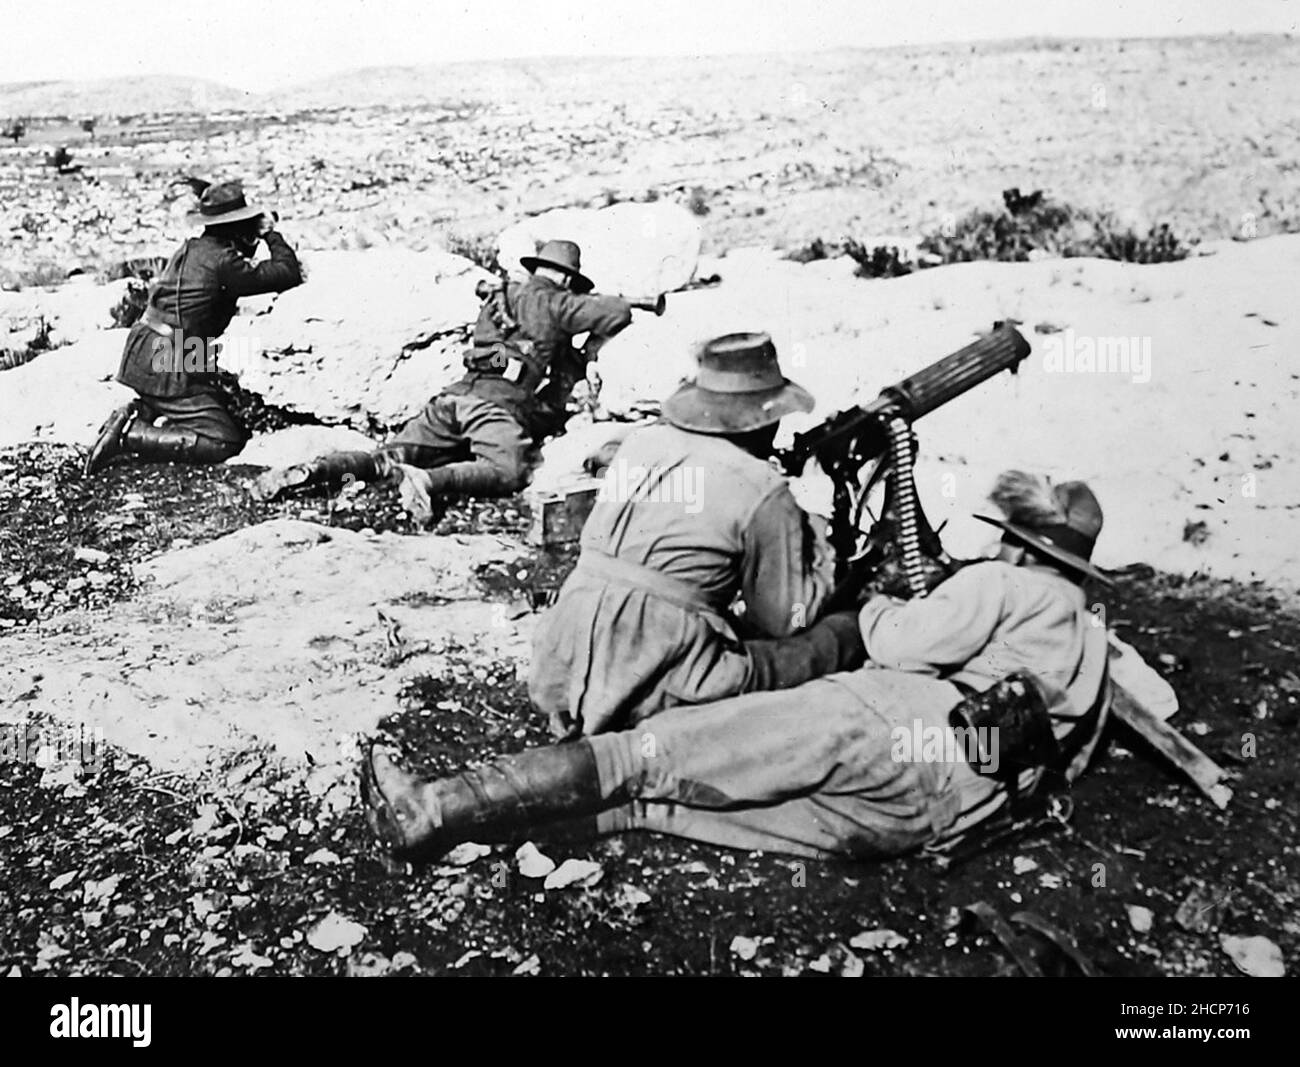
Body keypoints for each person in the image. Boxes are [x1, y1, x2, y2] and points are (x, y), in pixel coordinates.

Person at [359, 470, 1113, 863]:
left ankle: (440, 805)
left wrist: (875, 608)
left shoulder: (1003, 580)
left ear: (1019, 543)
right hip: (947, 811)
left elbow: (899, 644)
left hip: (880, 727)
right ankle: (485, 836)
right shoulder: (1091, 638)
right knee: (653, 808)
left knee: (649, 753)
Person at [530, 331, 863, 737]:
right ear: (765, 416)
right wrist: (817, 529)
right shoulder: (763, 489)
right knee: (839, 635)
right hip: (658, 671)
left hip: (560, 657)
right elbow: (785, 620)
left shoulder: (641, 443)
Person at [251, 240, 635, 523]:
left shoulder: (500, 297)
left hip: (453, 399)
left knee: (389, 456)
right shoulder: (557, 304)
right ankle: (430, 480)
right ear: (566, 278)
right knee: (508, 471)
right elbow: (616, 313)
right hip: (494, 410)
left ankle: (318, 471)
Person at [84, 180, 303, 474]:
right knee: (223, 439)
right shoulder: (222, 261)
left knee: (213, 397)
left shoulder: (195, 248)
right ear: (238, 228)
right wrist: (270, 234)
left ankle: (142, 409)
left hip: (148, 350)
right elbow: (287, 273)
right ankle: (130, 435)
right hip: (169, 359)